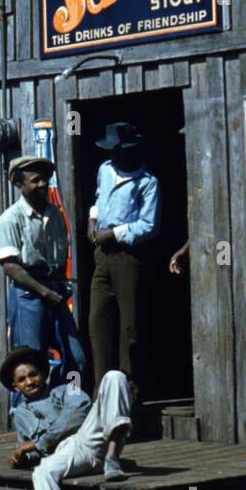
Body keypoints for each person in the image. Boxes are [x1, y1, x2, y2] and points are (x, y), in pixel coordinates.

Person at [1, 346, 133, 490]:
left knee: (114, 376)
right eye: (22, 379)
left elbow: (79, 413)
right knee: (41, 473)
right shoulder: (19, 415)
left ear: (44, 374)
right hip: (64, 454)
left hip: (90, 438)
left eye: (34, 374)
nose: (30, 381)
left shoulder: (69, 385)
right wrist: (19, 458)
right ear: (15, 387)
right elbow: (32, 453)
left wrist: (36, 443)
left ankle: (112, 457)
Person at [0, 155, 87, 401]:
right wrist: (44, 292)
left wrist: (58, 287)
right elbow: (10, 266)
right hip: (28, 294)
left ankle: (68, 404)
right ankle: (25, 414)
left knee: (75, 355)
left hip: (54, 290)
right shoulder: (10, 219)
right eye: (35, 181)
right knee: (28, 362)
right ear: (19, 184)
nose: (42, 185)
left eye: (45, 179)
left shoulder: (55, 213)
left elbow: (59, 256)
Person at [87, 122, 160, 391]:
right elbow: (98, 198)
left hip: (128, 257)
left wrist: (115, 233)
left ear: (130, 150)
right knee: (98, 321)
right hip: (101, 256)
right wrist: (92, 220)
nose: (115, 157)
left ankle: (130, 388)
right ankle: (102, 389)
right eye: (112, 152)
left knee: (130, 327)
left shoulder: (147, 182)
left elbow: (149, 225)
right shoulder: (105, 170)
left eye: (119, 152)